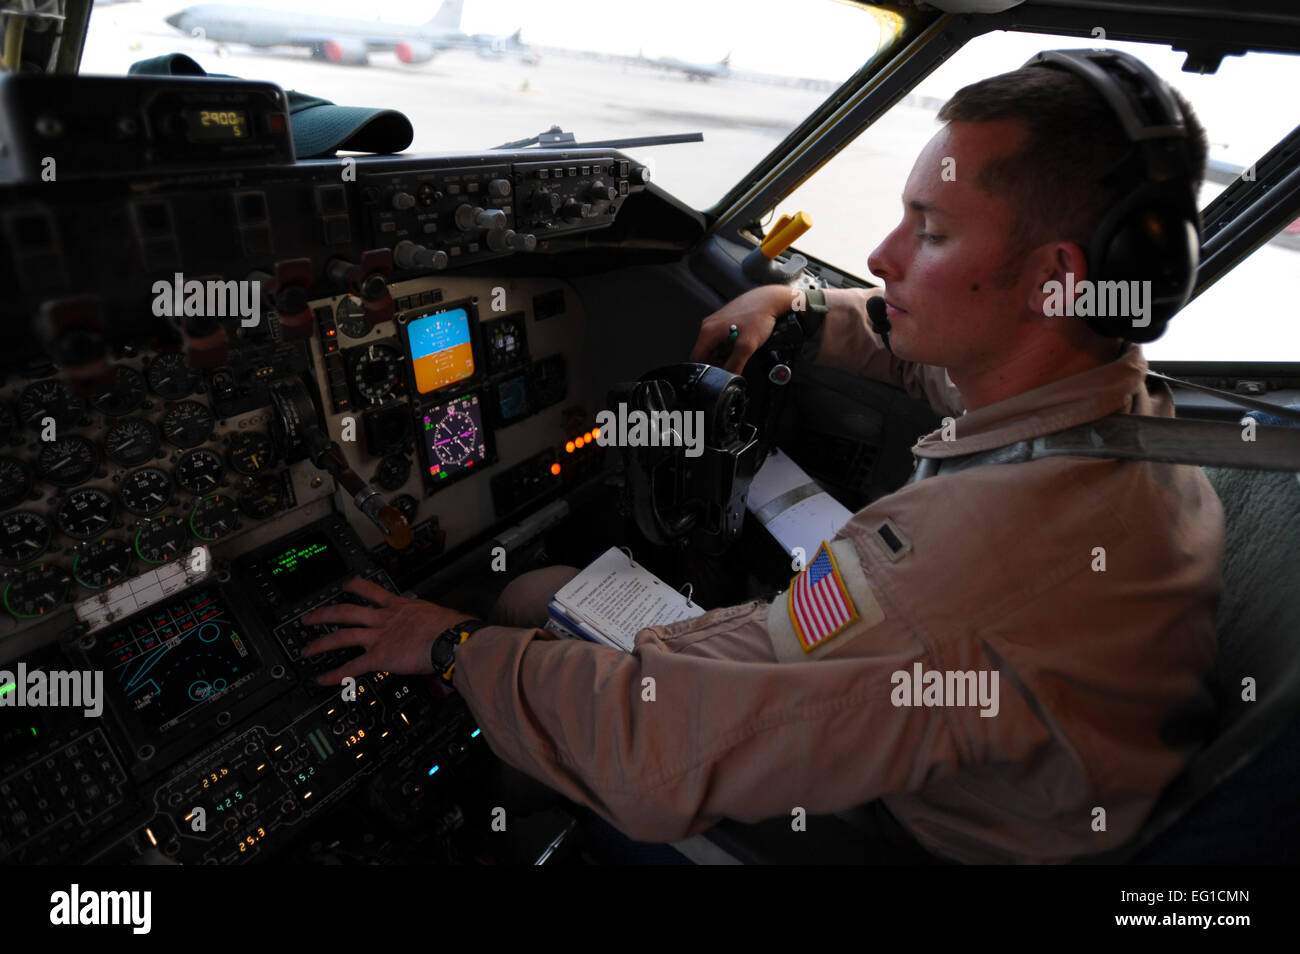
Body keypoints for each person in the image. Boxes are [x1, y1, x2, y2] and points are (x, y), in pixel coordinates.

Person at [301, 55, 1222, 864]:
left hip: (917, 837)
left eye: (931, 233)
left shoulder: (960, 574)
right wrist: (805, 307)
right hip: (1008, 777)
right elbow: (954, 363)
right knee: (551, 600)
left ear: (1059, 276)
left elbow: (652, 750)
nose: (880, 256)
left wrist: (448, 645)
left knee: (523, 601)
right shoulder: (1122, 409)